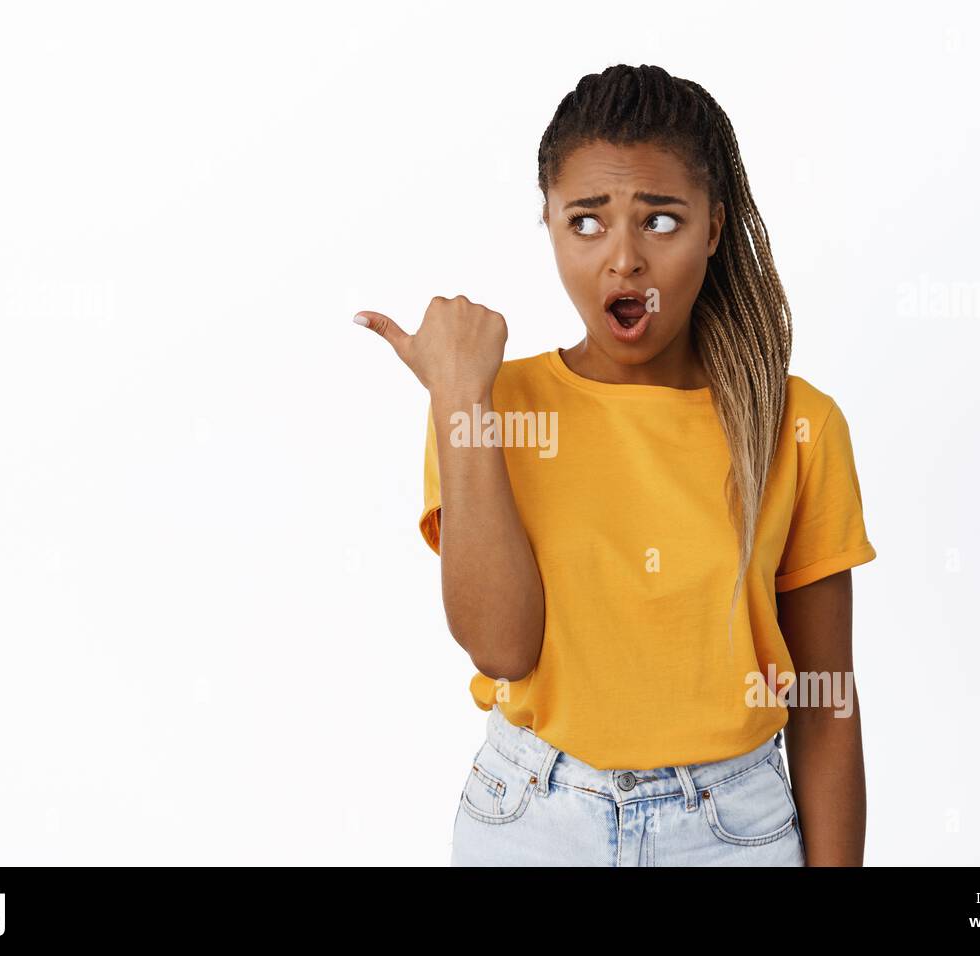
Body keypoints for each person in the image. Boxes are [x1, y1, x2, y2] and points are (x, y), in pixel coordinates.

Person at [354, 64, 877, 866]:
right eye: (587, 223)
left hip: (734, 831)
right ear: (551, 225)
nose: (624, 259)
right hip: (533, 820)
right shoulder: (491, 403)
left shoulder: (797, 424)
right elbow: (501, 648)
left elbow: (825, 704)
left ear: (714, 226)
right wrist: (460, 399)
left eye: (661, 222)